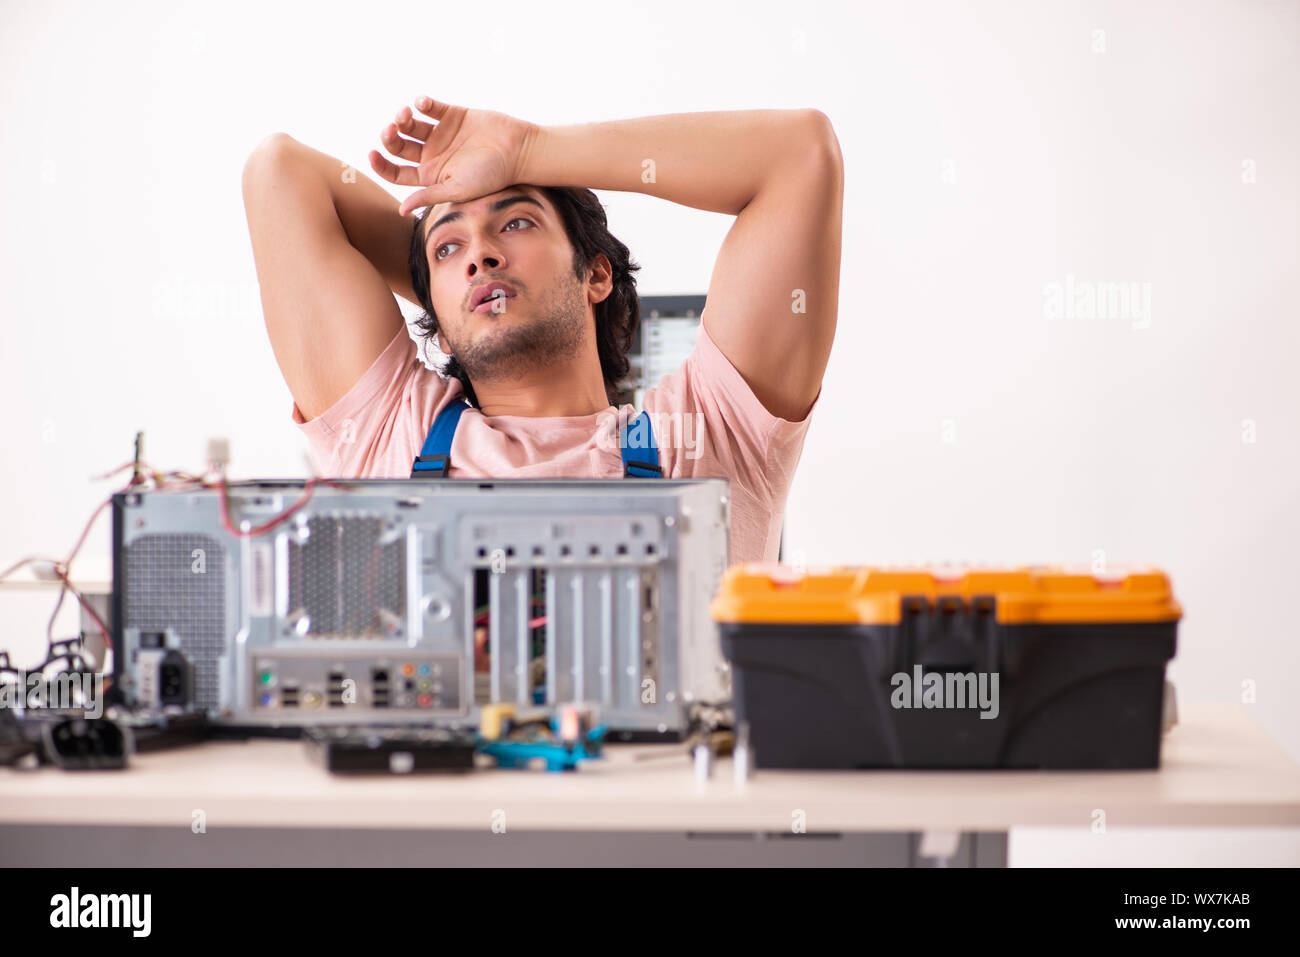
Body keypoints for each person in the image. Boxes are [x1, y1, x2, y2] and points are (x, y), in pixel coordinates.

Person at [241, 97, 843, 564]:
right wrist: (452, 290)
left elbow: (798, 155)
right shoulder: (389, 430)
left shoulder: (711, 433)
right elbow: (280, 171)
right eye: (450, 248)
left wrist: (527, 149)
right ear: (439, 331)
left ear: (597, 274)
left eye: (518, 223)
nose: (479, 255)